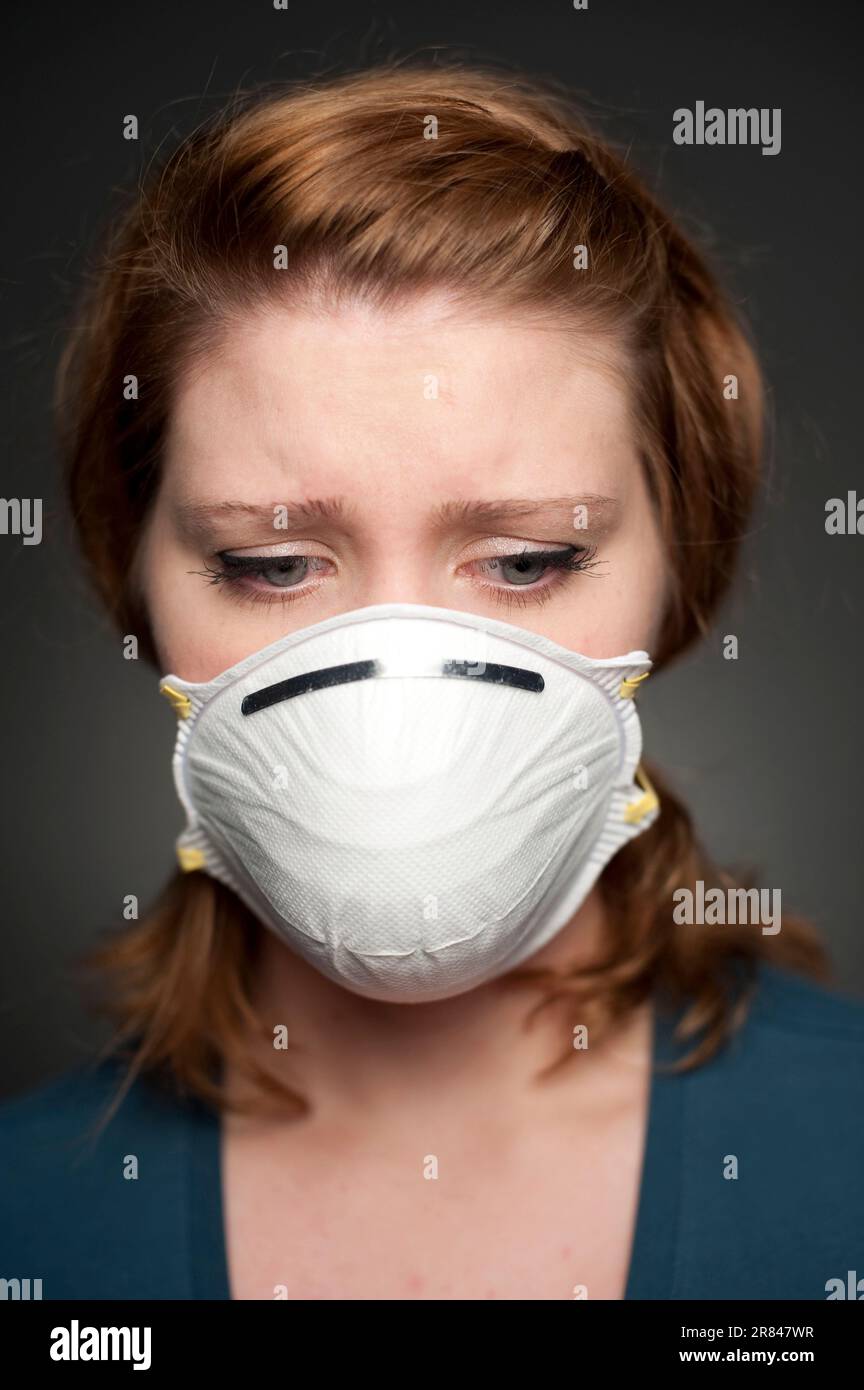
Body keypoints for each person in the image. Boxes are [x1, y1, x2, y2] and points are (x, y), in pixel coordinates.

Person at [1, 62, 862, 1302]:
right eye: (273, 562)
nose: (402, 682)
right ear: (127, 569)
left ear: (681, 567)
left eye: (524, 560)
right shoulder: (32, 1232)